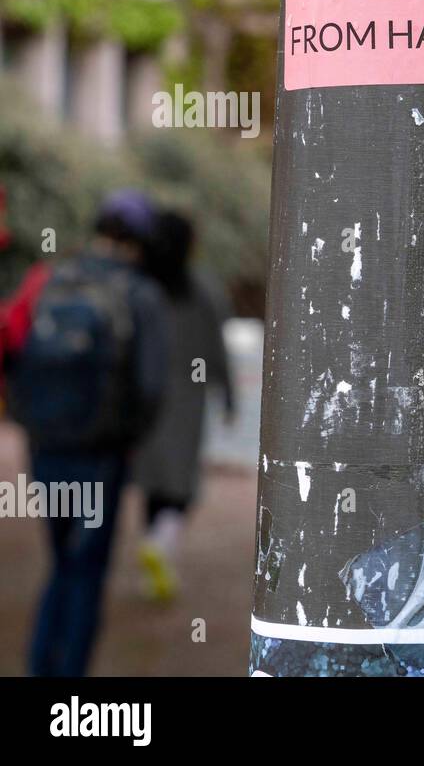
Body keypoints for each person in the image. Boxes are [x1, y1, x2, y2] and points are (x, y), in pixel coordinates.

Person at [8, 190, 169, 676]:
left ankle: (41, 665)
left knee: (61, 561)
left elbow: (13, 348)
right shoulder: (141, 294)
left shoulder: (49, 278)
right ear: (142, 240)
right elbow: (152, 385)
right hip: (101, 454)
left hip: (45, 445)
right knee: (86, 569)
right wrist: (130, 436)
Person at [133, 209, 236, 602]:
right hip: (188, 397)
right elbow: (218, 348)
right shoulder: (203, 289)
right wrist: (228, 395)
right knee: (182, 484)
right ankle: (160, 545)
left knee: (153, 481)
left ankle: (155, 552)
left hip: (146, 396)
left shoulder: (142, 287)